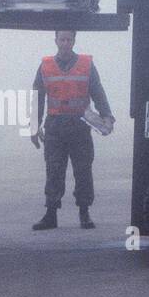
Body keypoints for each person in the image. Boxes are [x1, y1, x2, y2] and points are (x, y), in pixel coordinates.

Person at [30, 30, 114, 230]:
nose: (65, 43)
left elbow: (98, 91)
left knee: (83, 171)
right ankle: (51, 215)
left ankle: (84, 214)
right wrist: (33, 127)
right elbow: (37, 98)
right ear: (56, 40)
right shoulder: (45, 65)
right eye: (62, 39)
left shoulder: (86, 64)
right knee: (54, 171)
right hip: (55, 128)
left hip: (79, 127)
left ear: (74, 41)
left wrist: (107, 116)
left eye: (69, 39)